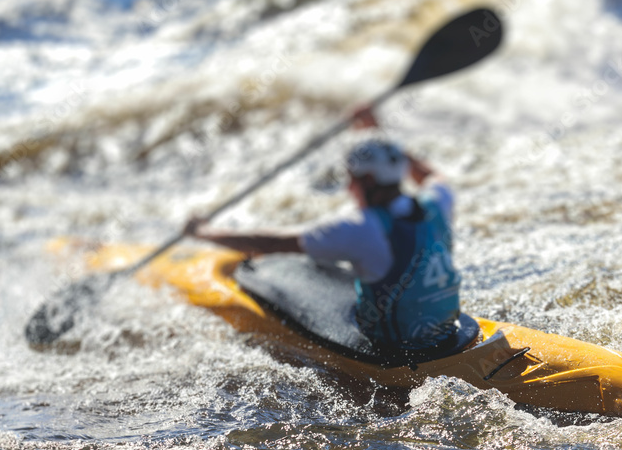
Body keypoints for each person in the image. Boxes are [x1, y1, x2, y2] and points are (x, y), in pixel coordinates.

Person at [184, 108, 462, 351]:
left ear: (366, 180)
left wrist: (205, 232)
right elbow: (430, 175)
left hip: (396, 347)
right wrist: (379, 135)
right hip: (446, 334)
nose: (349, 188)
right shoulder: (438, 202)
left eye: (351, 179)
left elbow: (269, 244)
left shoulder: (363, 229)